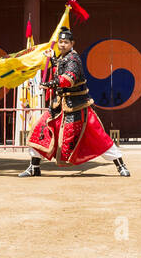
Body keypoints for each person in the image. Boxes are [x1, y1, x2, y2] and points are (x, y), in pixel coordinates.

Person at [22, 28, 130, 178]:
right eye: (60, 42)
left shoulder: (74, 59)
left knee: (98, 137)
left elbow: (68, 79)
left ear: (72, 43)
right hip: (59, 106)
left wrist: (49, 84)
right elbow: (60, 69)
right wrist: (53, 59)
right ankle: (34, 167)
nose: (62, 44)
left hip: (78, 107)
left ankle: (121, 165)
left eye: (66, 42)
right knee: (41, 130)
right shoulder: (62, 58)